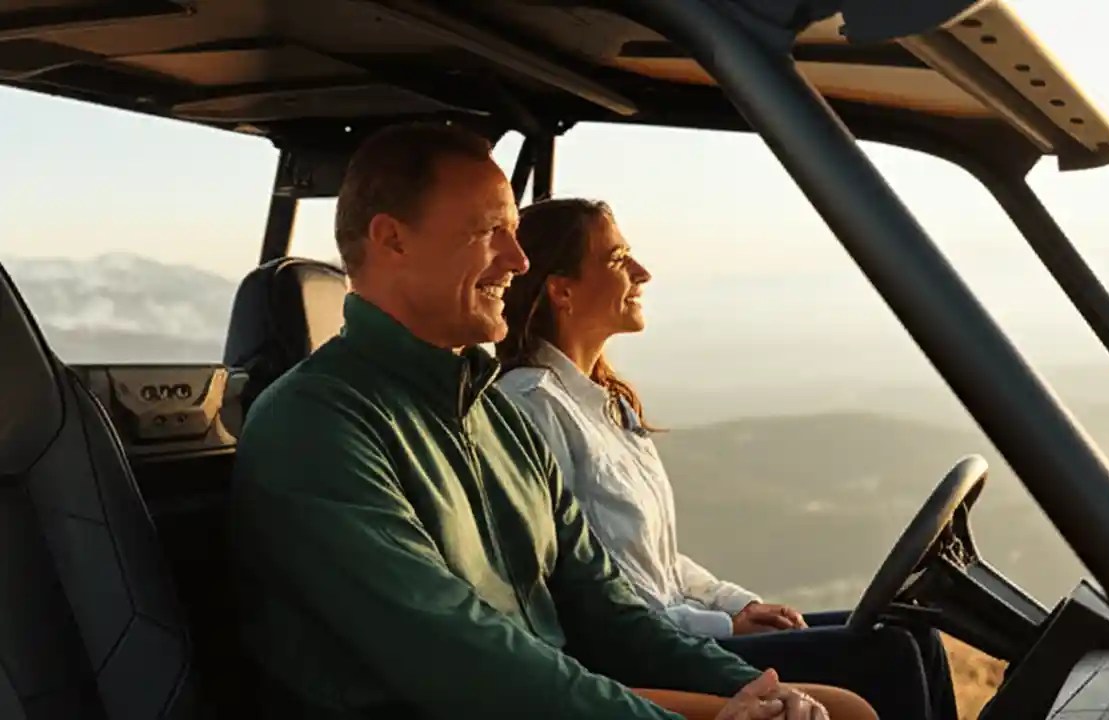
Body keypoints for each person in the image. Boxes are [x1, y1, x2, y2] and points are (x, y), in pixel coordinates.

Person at [227, 122, 877, 720]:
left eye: (515, 232)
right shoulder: (316, 427)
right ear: (393, 238)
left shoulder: (492, 417)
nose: (518, 259)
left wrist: (750, 690)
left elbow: (609, 609)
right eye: (490, 232)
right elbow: (461, 658)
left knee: (837, 712)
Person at [493, 197, 959, 720]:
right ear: (562, 289)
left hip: (679, 633)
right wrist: (721, 628)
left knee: (912, 630)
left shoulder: (605, 402)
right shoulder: (534, 407)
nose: (643, 272)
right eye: (619, 259)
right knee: (886, 655)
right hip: (641, 656)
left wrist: (737, 605)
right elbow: (589, 593)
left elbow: (659, 564)